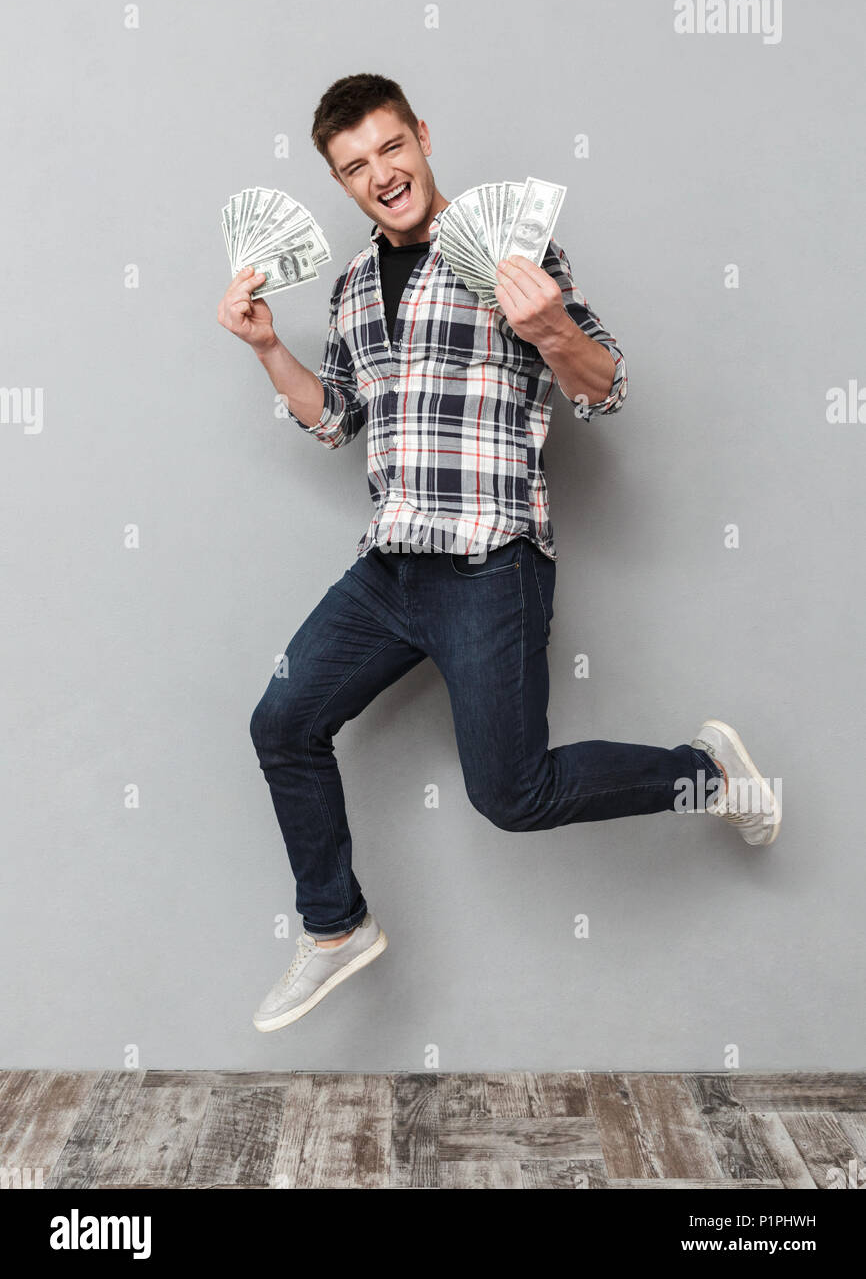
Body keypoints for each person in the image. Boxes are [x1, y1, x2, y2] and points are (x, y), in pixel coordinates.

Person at [217, 74, 782, 1033]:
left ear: (423, 138)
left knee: (513, 797)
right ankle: (335, 928)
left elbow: (605, 389)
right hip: (391, 565)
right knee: (281, 724)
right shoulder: (354, 285)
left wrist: (551, 326)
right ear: (341, 181)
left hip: (491, 566)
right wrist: (269, 348)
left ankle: (711, 774)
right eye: (355, 166)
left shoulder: (511, 251)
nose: (380, 174)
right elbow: (341, 421)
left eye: (391, 148)